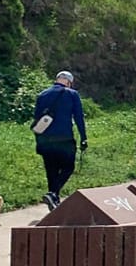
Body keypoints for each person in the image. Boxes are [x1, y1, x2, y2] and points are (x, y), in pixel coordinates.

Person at [33, 70, 89, 209]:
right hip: (64, 139)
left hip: (45, 140)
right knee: (68, 167)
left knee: (51, 170)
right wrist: (83, 137)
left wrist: (39, 140)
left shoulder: (42, 95)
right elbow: (78, 117)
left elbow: (36, 120)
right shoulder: (72, 94)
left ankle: (54, 199)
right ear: (69, 82)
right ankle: (53, 193)